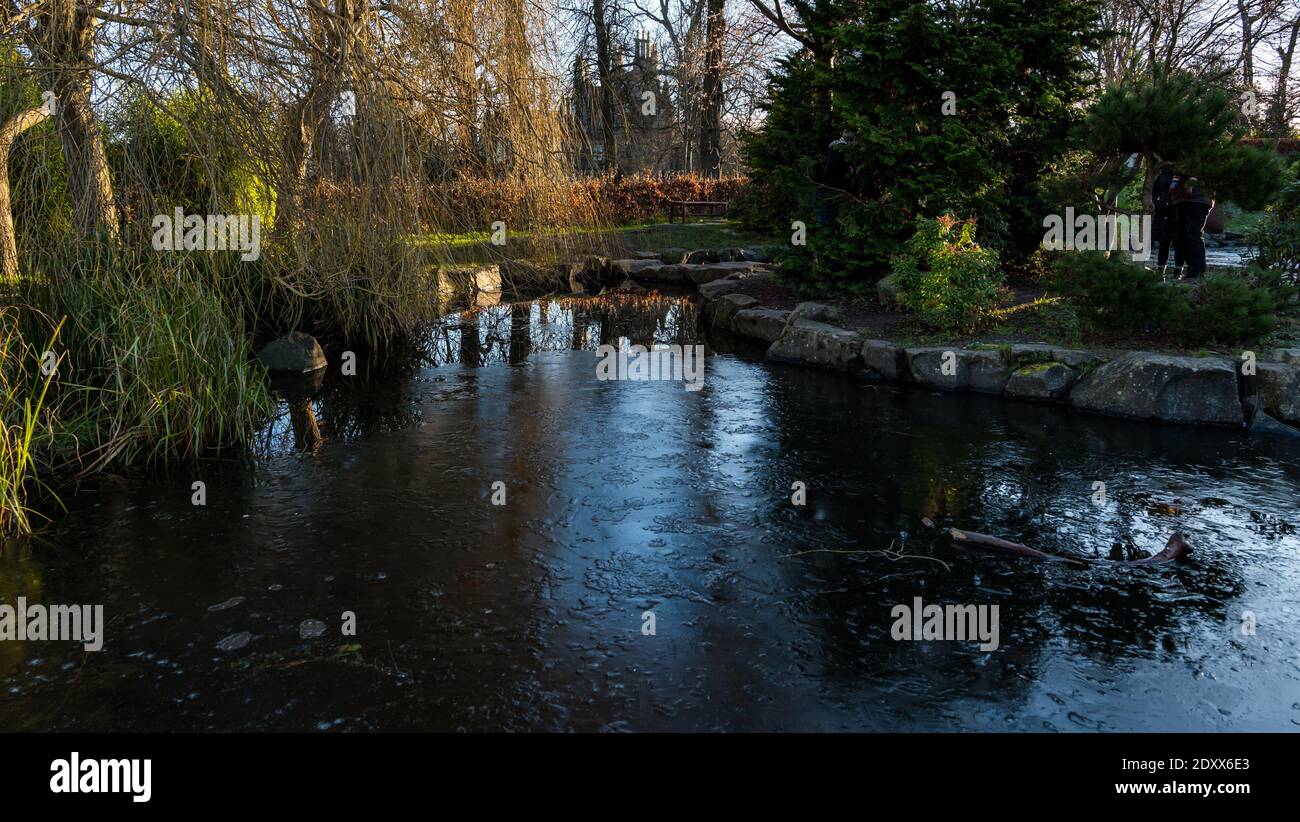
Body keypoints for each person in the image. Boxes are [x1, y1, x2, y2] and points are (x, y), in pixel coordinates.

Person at [1170, 172, 1214, 280]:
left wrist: (1191, 182)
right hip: (1181, 199)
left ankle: (1197, 272)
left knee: (1193, 235)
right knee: (1183, 237)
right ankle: (1191, 271)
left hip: (1198, 199)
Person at [1151, 167, 1176, 270]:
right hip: (1162, 209)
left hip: (1176, 209)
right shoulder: (1163, 174)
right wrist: (1157, 203)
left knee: (1178, 240)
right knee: (1163, 240)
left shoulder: (1182, 175)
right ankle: (1161, 268)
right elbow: (1153, 192)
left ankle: (1178, 270)